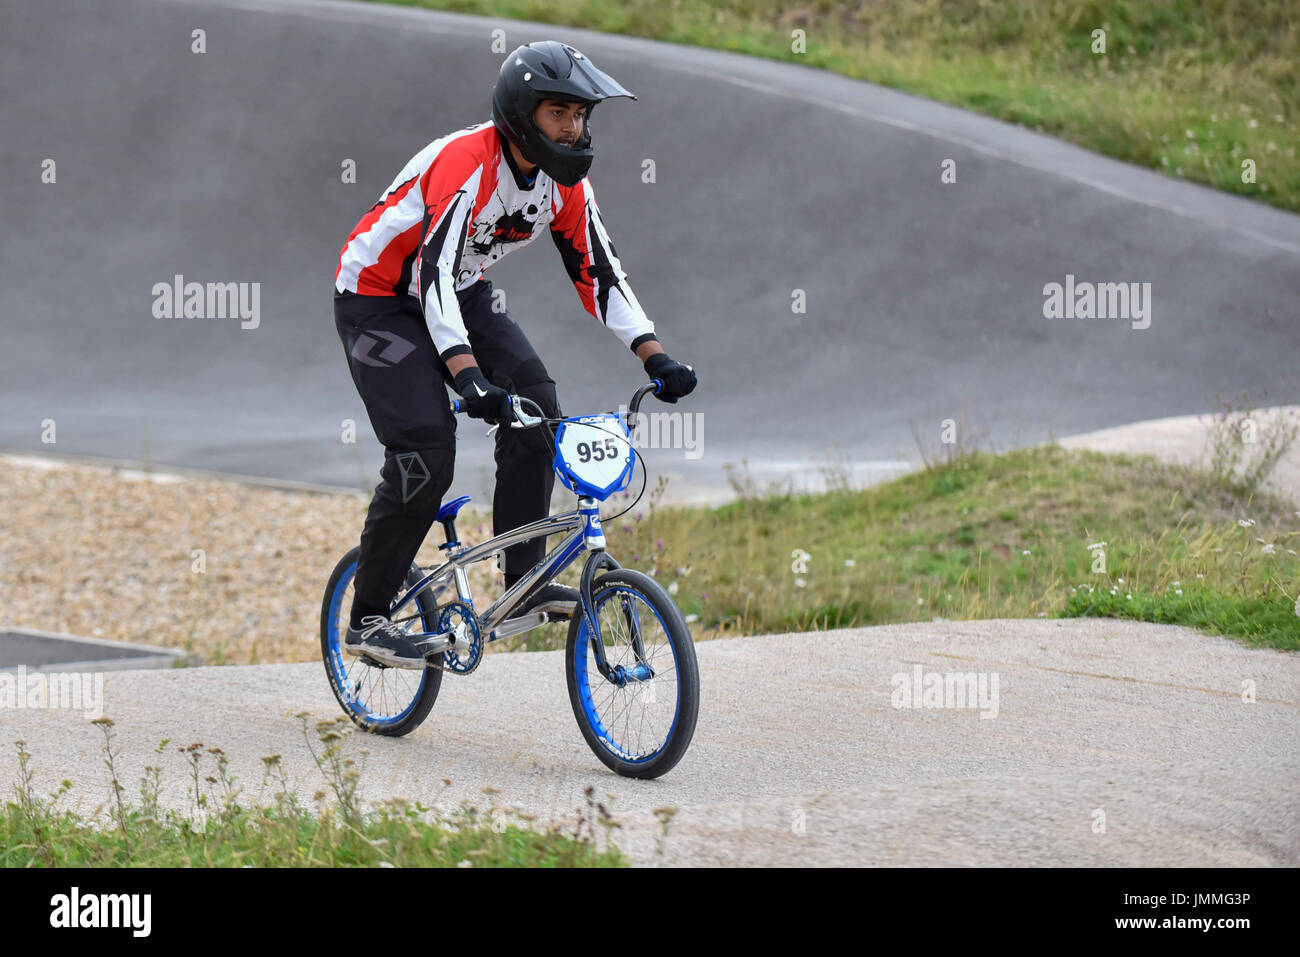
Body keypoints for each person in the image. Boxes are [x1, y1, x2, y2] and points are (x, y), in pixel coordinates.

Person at [332, 40, 698, 669]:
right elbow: (434, 275)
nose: (575, 128)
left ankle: (522, 580)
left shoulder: (562, 185)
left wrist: (654, 355)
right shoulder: (467, 163)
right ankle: (367, 620)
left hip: (461, 290)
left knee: (537, 408)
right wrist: (468, 377)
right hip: (378, 298)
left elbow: (600, 273)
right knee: (426, 447)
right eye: (561, 113)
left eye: (582, 116)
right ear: (523, 113)